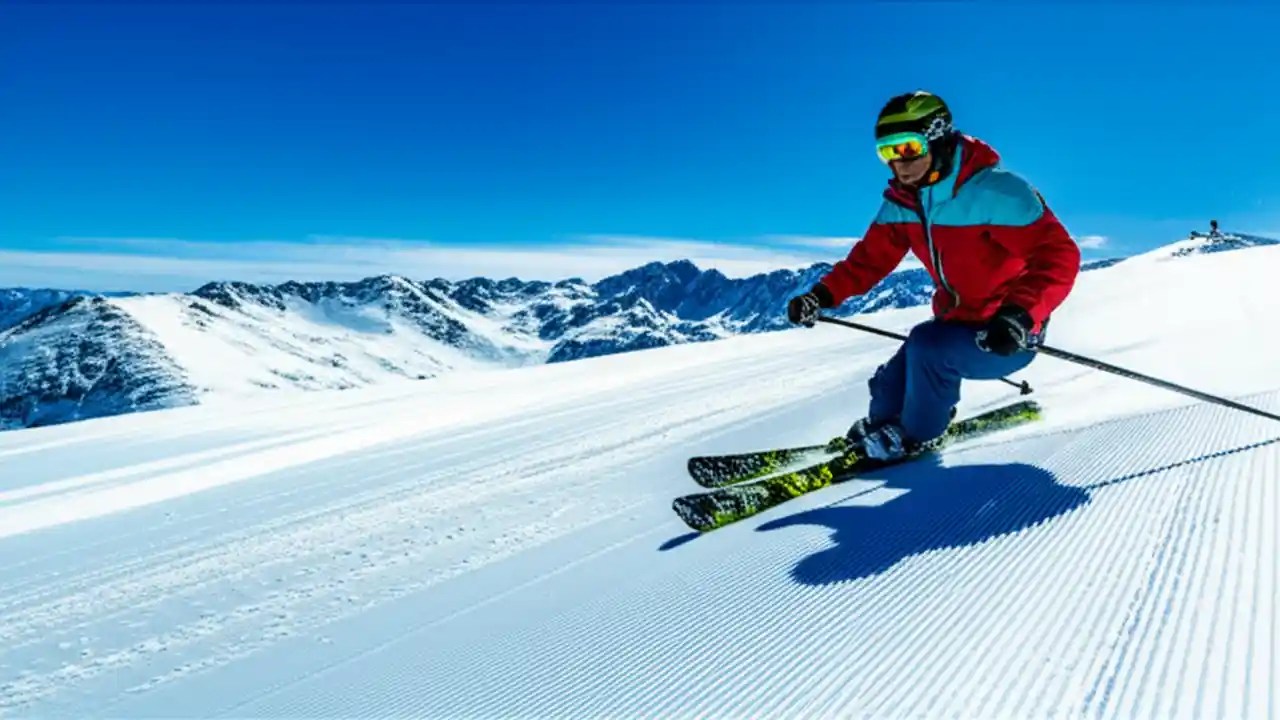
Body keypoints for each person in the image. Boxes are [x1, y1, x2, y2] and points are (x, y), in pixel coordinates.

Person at [787, 90, 1080, 461]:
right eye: (887, 152)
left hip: (1007, 334)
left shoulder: (997, 193)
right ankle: (887, 426)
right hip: (954, 325)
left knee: (927, 349)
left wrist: (1019, 316)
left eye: (908, 148)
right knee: (889, 386)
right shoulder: (904, 201)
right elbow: (868, 261)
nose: (899, 164)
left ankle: (918, 438)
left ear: (937, 139)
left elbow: (1059, 256)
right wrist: (821, 296)